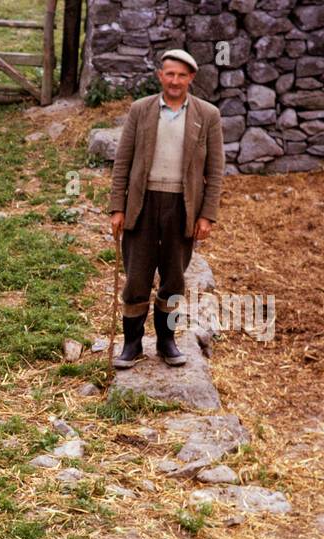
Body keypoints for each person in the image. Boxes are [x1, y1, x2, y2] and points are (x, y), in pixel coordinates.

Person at [108, 49, 224, 369]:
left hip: (181, 207)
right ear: (160, 76)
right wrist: (117, 207)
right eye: (169, 74)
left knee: (173, 279)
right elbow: (123, 163)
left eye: (181, 75)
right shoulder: (140, 110)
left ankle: (166, 342)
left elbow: (214, 171)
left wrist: (206, 215)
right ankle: (132, 345)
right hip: (142, 205)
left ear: (191, 79)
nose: (175, 81)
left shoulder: (207, 115)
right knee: (136, 278)